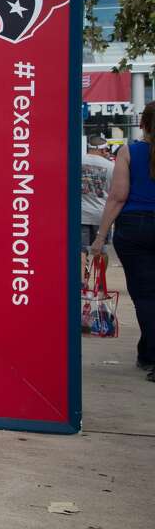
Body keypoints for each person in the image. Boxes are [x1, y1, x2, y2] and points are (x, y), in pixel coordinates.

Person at [90, 101, 155, 382]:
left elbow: (117, 196)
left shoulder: (129, 152)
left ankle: (150, 352)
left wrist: (100, 237)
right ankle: (147, 351)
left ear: (142, 124)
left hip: (135, 228)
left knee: (145, 296)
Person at [80, 134, 114, 277]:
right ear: (101, 149)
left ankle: (80, 283)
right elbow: (114, 192)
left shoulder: (78, 161)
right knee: (102, 250)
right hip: (101, 215)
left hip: (80, 214)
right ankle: (100, 284)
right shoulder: (111, 166)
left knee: (80, 250)